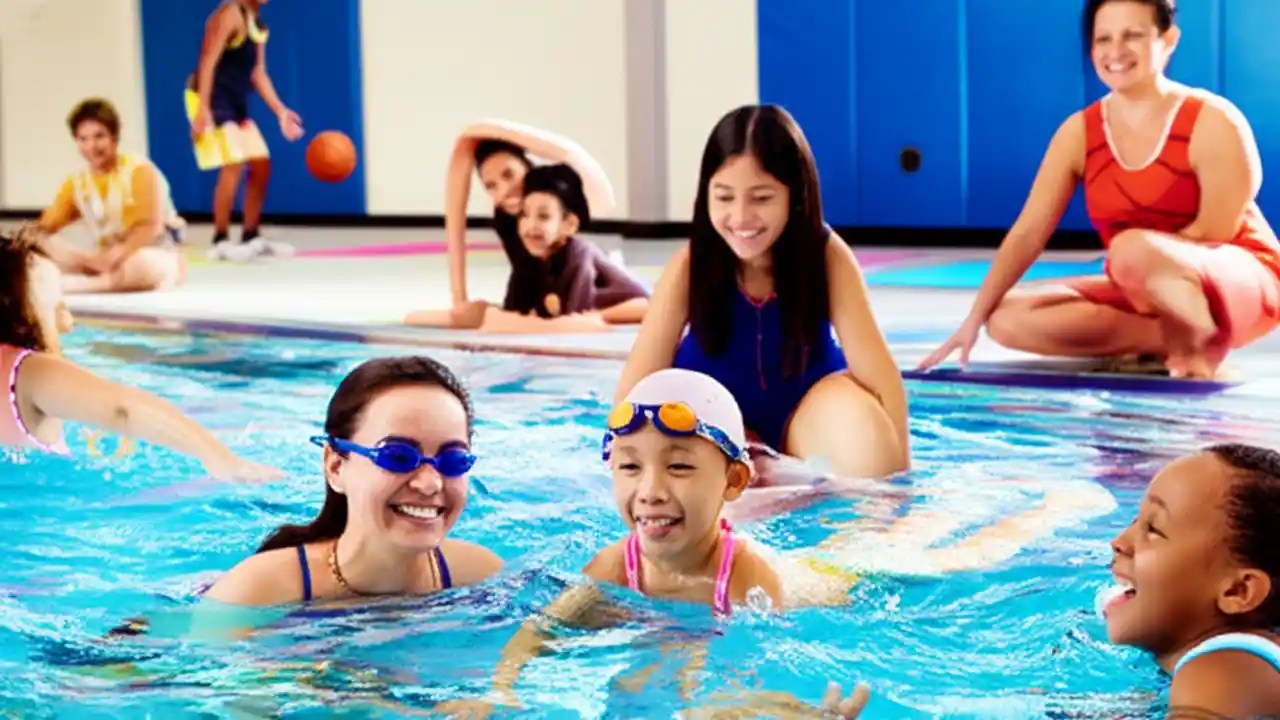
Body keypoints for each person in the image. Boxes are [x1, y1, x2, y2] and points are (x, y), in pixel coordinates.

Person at [436, 368, 869, 719]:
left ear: (734, 480)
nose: (650, 491)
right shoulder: (614, 567)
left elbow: (757, 663)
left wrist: (782, 709)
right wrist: (501, 689)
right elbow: (540, 630)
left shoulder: (746, 571)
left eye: (678, 466)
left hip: (820, 580)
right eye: (629, 467)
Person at [919, 0, 1280, 380]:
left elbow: (1216, 231)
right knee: (1007, 319)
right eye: (1103, 39)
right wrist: (973, 320)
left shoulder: (1214, 121)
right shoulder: (1078, 133)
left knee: (1129, 249)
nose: (1115, 52)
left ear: (1168, 39)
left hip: (1245, 285)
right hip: (1147, 285)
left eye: (1132, 36)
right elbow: (1028, 232)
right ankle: (1171, 340)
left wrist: (1141, 265)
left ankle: (1196, 333)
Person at [615, 104, 909, 479]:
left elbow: (881, 379)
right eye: (724, 197)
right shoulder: (690, 266)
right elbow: (637, 387)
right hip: (711, 416)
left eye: (761, 198)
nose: (741, 217)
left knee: (868, 451)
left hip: (807, 409)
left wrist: (902, 484)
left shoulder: (826, 257)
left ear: (794, 195)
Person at [201, 356, 503, 607]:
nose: (430, 484)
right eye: (397, 456)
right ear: (336, 467)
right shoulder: (252, 593)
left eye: (454, 460)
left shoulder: (479, 576)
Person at [0, 226, 275, 481]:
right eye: (57, 309)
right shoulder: (30, 372)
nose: (68, 324)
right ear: (21, 320)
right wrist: (223, 459)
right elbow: (123, 410)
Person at [1100, 444, 1279, 715]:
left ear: (1237, 591)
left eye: (1154, 529)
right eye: (1135, 521)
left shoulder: (1220, 668)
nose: (1119, 542)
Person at [405, 163, 648, 332]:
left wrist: (599, 317)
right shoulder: (532, 260)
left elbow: (574, 322)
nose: (530, 226)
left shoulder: (580, 255)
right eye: (524, 215)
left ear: (569, 224)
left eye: (543, 216)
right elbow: (518, 311)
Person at [439, 120, 618, 320]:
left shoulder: (564, 197)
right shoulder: (506, 219)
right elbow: (525, 277)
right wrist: (461, 300)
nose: (504, 191)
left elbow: (572, 154)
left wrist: (475, 131)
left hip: (589, 291)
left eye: (509, 174)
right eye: (491, 186)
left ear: (527, 165)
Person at [29, 98, 187, 294]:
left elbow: (149, 230)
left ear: (115, 136)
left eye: (99, 136)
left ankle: (89, 285)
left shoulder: (140, 170)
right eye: (83, 139)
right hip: (103, 261)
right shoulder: (77, 182)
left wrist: (110, 259)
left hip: (152, 254)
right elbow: (44, 227)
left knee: (142, 263)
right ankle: (100, 277)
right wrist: (32, 241)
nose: (91, 146)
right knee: (42, 246)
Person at [187, 0, 303, 262]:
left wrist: (281, 111)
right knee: (234, 162)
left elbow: (258, 74)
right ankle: (220, 239)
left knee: (261, 162)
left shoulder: (259, 26)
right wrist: (202, 108)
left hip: (235, 101)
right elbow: (207, 61)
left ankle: (251, 235)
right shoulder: (229, 14)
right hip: (209, 99)